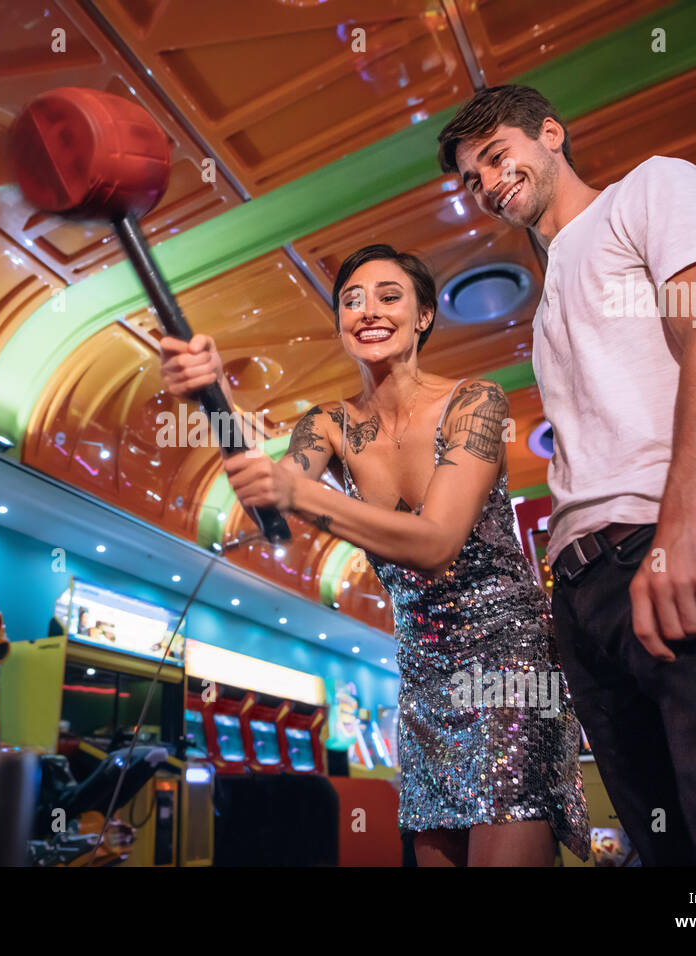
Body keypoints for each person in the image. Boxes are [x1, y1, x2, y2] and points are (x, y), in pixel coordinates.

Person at [437, 85, 696, 865]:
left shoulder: (653, 186)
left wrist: (685, 526)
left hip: (677, 543)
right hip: (587, 596)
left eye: (495, 156)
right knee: (673, 853)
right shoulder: (550, 296)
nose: (486, 184)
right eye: (470, 180)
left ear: (551, 132)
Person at [160, 244, 589, 866]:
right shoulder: (326, 423)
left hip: (508, 660)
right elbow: (269, 505)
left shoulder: (476, 401)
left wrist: (300, 493)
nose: (368, 311)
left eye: (390, 297)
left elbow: (437, 543)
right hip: (422, 666)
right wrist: (213, 401)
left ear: (422, 317)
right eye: (352, 300)